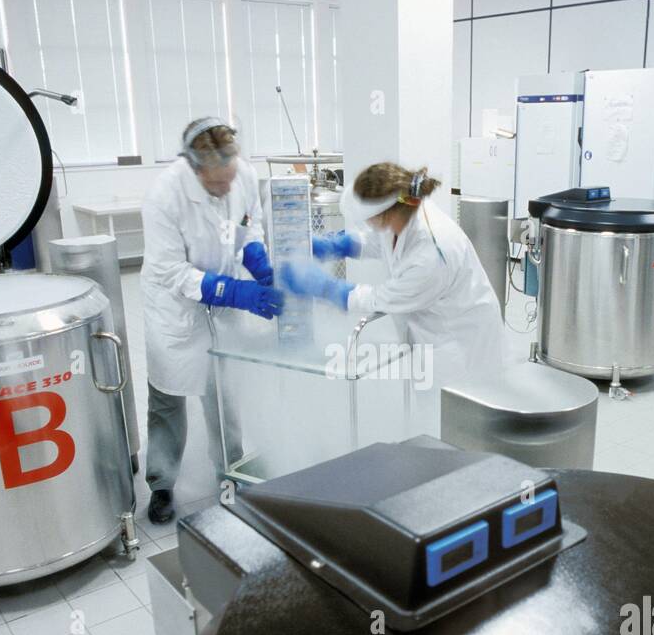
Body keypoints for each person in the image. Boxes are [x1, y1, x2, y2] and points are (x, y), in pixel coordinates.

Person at [140, 118, 283, 523]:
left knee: (223, 390)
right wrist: (238, 293)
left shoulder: (242, 176)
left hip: (218, 305)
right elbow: (173, 273)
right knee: (167, 399)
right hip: (174, 308)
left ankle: (231, 471)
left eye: (230, 177)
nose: (225, 188)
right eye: (216, 184)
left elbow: (247, 228)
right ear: (195, 169)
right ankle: (162, 483)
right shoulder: (164, 197)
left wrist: (259, 266)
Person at [281, 162, 505, 392]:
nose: (367, 225)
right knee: (428, 404)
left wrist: (327, 289)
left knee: (453, 414)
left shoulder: (432, 253)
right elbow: (379, 240)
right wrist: (339, 245)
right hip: (439, 331)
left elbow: (383, 298)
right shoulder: (404, 211)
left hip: (459, 342)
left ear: (382, 215)